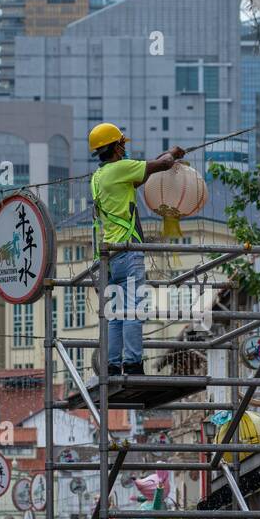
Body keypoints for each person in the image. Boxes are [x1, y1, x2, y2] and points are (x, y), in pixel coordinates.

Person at [88, 123, 185, 375]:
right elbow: (161, 166)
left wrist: (165, 157)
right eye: (122, 144)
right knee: (133, 309)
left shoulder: (99, 177)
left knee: (117, 313)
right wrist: (173, 153)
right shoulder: (120, 169)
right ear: (116, 146)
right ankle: (132, 363)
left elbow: (143, 172)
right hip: (129, 252)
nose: (124, 148)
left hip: (111, 255)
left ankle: (111, 365)